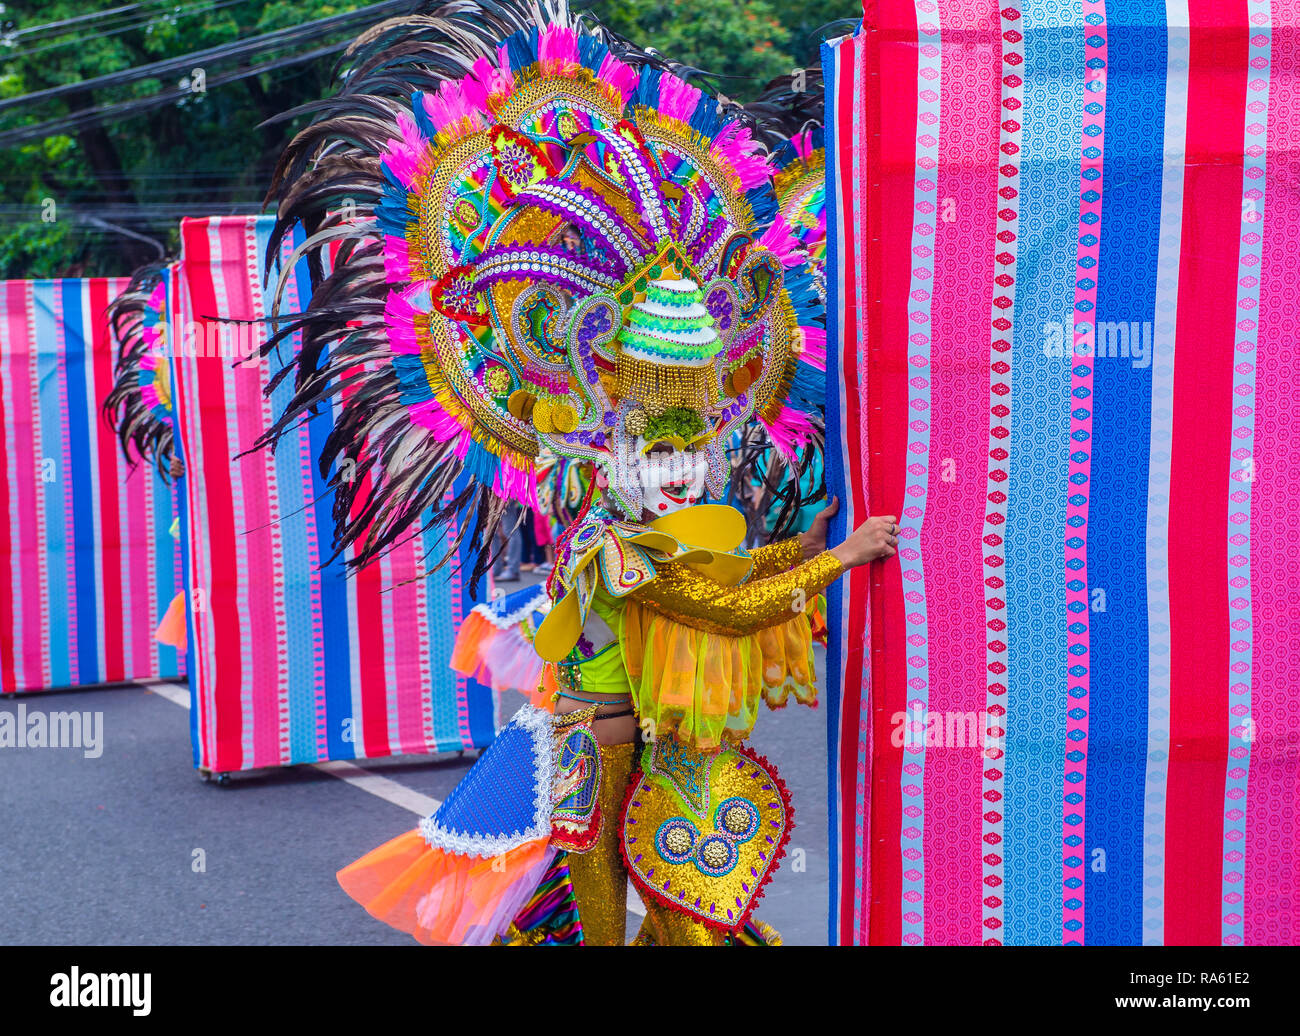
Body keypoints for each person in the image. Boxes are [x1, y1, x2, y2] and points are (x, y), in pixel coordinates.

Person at [254, 0, 895, 945]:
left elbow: (727, 577)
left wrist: (801, 546)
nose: (686, 453)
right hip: (589, 746)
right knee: (600, 927)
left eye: (697, 424)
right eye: (665, 423)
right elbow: (716, 606)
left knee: (688, 913)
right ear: (621, 405)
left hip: (658, 742)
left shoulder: (671, 501)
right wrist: (836, 560)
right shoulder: (619, 526)